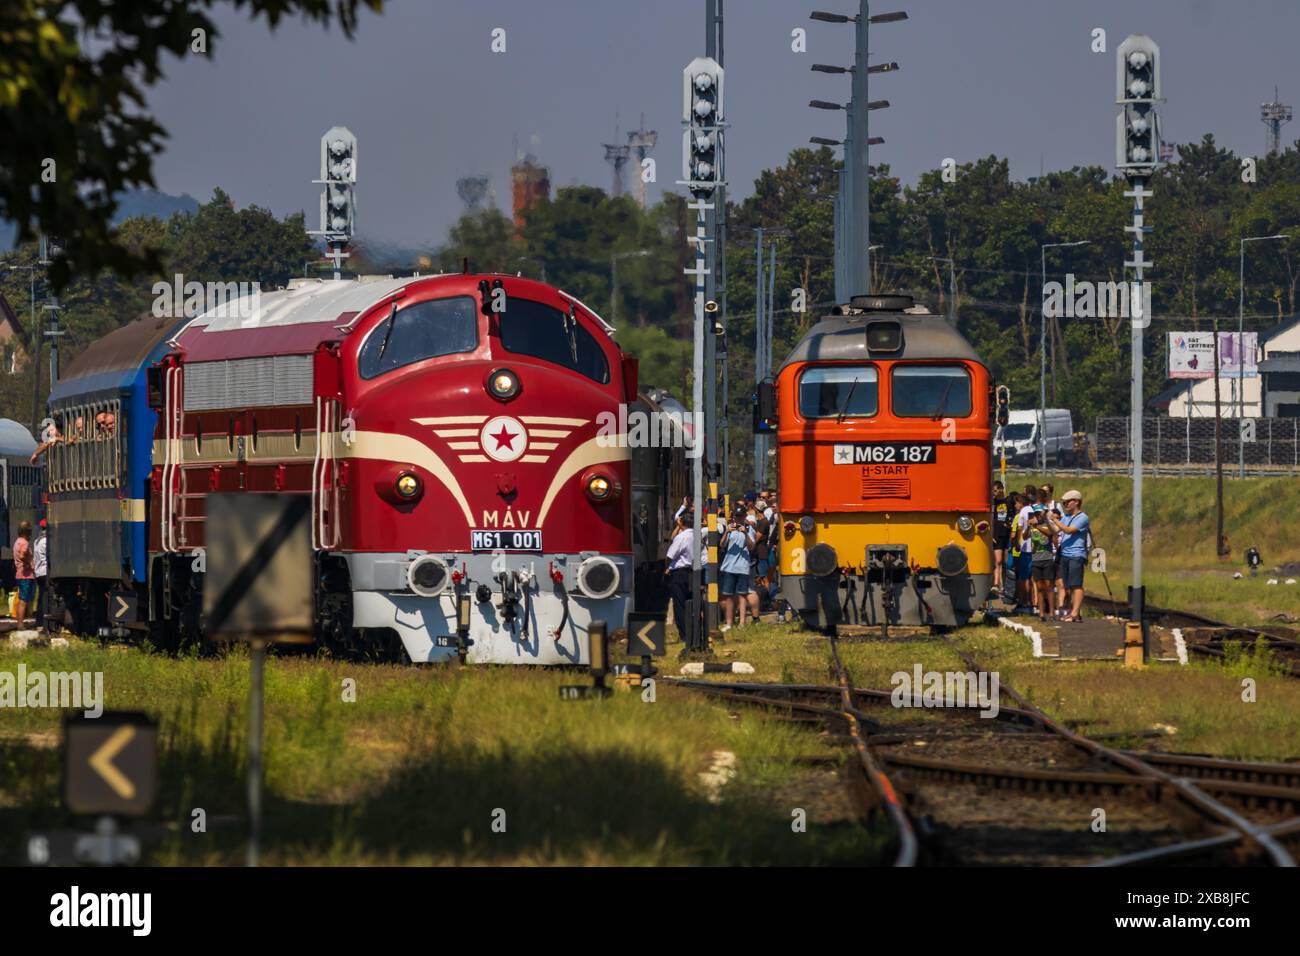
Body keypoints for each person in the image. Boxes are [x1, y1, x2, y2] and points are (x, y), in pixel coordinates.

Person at [1046, 490, 1089, 622]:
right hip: (1065, 554)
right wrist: (1047, 520)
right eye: (1063, 502)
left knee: (1076, 584)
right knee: (1068, 585)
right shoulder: (1066, 517)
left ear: (1076, 502)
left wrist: (1054, 519)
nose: (1065, 505)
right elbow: (1055, 530)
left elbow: (1069, 530)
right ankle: (1072, 612)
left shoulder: (1083, 517)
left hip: (1076, 555)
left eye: (1067, 502)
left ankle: (1075, 613)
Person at [664, 511, 698, 643]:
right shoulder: (697, 535)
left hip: (679, 573)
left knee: (679, 605)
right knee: (691, 603)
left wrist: (666, 567)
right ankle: (693, 632)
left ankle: (684, 635)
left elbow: (670, 555)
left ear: (682, 522)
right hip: (693, 572)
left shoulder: (681, 537)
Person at [718, 513, 755, 631]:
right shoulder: (730, 529)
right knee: (728, 595)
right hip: (729, 566)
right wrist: (726, 532)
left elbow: (751, 546)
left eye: (741, 517)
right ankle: (729, 623)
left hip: (743, 566)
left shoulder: (749, 529)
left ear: (744, 517)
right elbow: (722, 545)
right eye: (737, 517)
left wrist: (745, 533)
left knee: (742, 595)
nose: (738, 519)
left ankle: (742, 622)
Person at [1027, 505, 1056, 621]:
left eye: (1040, 513)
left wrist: (1037, 526)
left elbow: (1050, 533)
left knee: (1049, 586)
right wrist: (1027, 527)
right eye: (1036, 514)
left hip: (1047, 558)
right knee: (1039, 587)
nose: (1038, 516)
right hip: (1036, 559)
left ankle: (1052, 613)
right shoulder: (1032, 526)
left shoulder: (1046, 525)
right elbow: (1024, 537)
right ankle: (1041, 614)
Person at [12, 520, 35, 625]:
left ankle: (21, 622)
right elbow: (22, 555)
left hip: (20, 574)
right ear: (27, 532)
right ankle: (20, 624)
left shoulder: (17, 542)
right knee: (23, 600)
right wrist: (29, 562)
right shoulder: (24, 543)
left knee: (23, 598)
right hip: (26, 575)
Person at [991, 480, 1011, 602]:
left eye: (995, 490)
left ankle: (1006, 586)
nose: (993, 493)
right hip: (996, 534)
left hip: (1007, 535)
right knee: (997, 560)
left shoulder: (1008, 501)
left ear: (1001, 489)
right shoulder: (993, 503)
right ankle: (996, 583)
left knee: (1006, 561)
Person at [33, 519, 48, 629]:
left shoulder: (36, 541)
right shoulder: (46, 541)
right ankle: (43, 622)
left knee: (40, 597)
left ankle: (39, 621)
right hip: (45, 572)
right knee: (45, 598)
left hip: (38, 572)